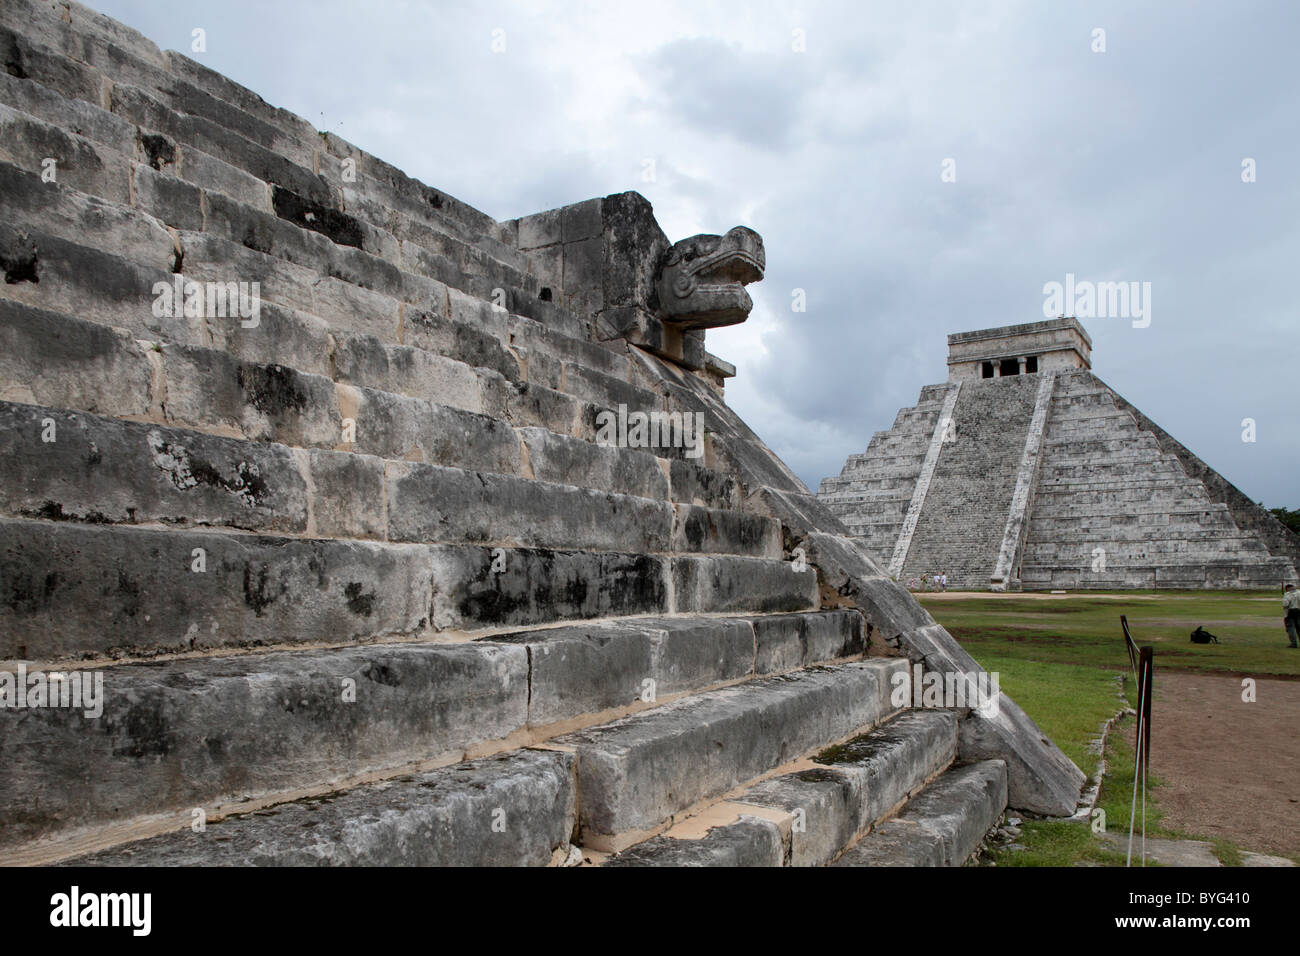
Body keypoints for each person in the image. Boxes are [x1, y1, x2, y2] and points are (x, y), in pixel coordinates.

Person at [1285, 583, 1300, 649]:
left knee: (1291, 628)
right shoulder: (1299, 592)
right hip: (1299, 611)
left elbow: (1285, 604)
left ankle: (1294, 643)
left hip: (1291, 611)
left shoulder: (1288, 594)